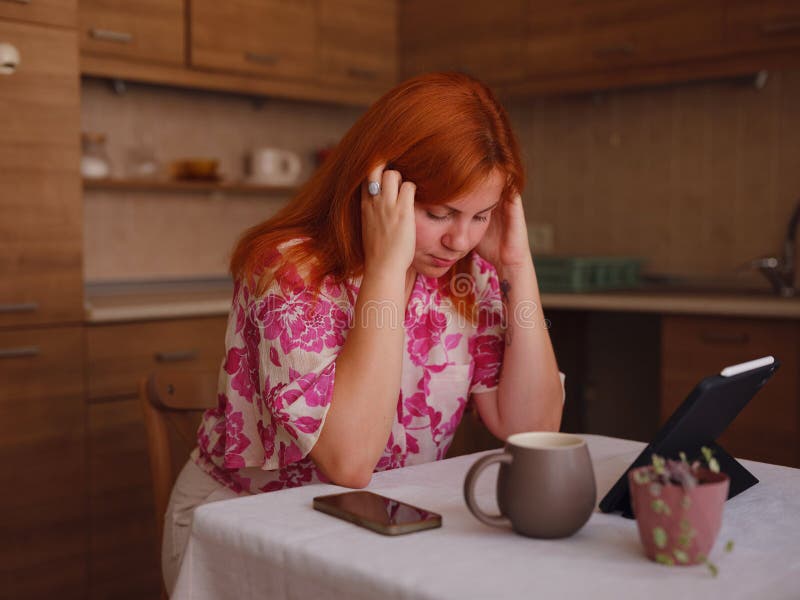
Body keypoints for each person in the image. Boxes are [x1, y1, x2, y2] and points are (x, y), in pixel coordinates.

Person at [161, 72, 564, 593]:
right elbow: (349, 463)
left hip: (377, 526)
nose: (459, 239)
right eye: (438, 213)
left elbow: (534, 428)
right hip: (244, 528)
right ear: (380, 189)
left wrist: (517, 265)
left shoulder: (468, 273)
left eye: (480, 216)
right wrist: (385, 270)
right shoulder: (289, 270)